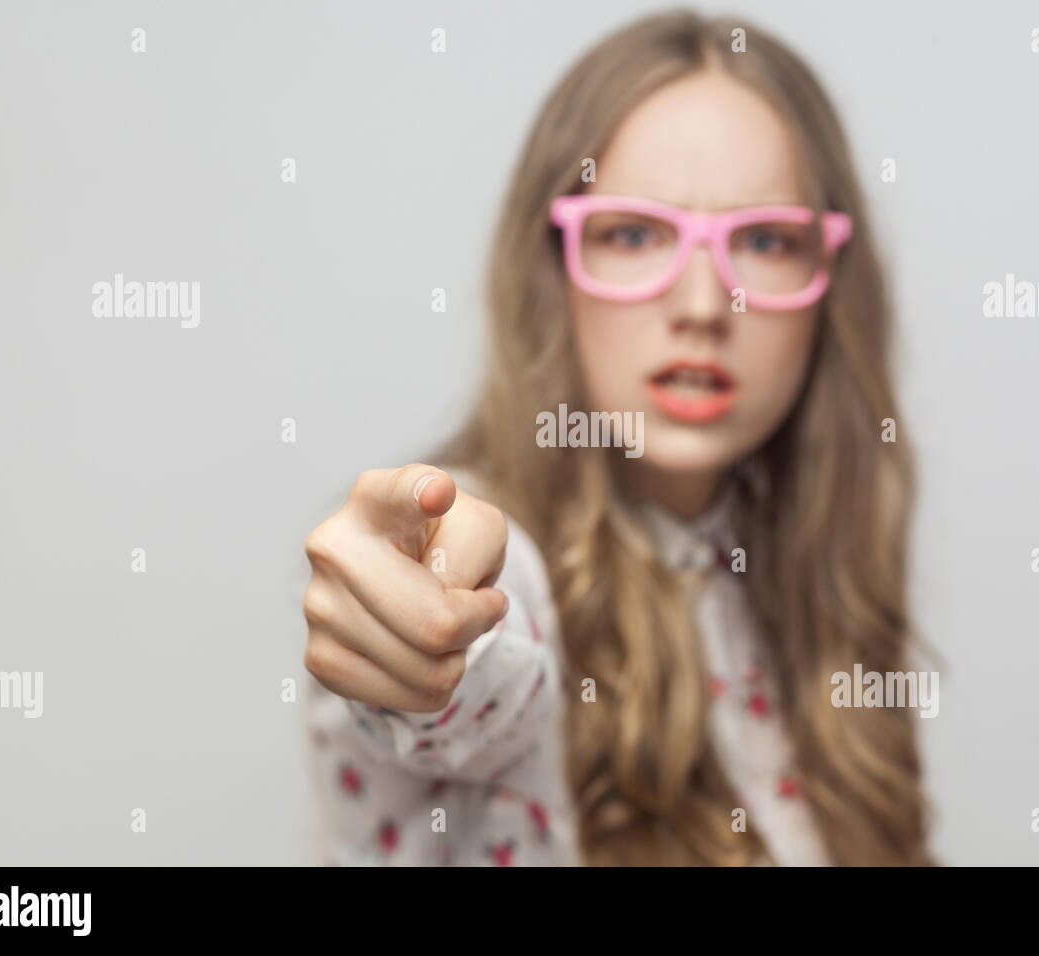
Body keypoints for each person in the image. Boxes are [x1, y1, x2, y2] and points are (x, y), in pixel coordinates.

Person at [301, 9, 936, 866]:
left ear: (829, 284)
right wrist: (423, 619)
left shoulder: (804, 593)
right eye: (635, 234)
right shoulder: (512, 566)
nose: (707, 305)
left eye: (765, 240)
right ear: (551, 269)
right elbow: (474, 664)